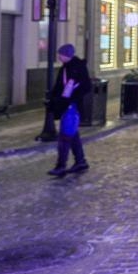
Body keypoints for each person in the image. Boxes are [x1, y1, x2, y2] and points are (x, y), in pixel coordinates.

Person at [47, 44, 91, 177]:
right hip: (67, 105)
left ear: (66, 55)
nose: (59, 56)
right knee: (72, 134)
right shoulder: (67, 68)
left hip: (71, 106)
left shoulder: (75, 68)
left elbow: (84, 86)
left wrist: (70, 99)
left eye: (60, 54)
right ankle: (80, 161)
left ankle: (61, 166)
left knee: (65, 136)